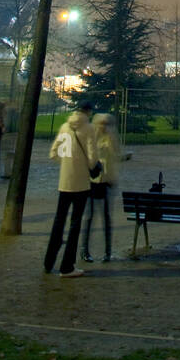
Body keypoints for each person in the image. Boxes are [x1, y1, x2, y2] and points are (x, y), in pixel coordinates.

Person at [44, 101, 99, 277]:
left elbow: (53, 152)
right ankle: (67, 266)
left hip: (64, 181)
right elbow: (92, 158)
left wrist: (67, 162)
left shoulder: (64, 126)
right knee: (75, 224)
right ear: (88, 112)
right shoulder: (89, 128)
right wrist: (85, 165)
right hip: (81, 182)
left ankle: (49, 261)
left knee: (58, 221)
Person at [81, 113, 121, 262]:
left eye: (106, 124)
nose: (103, 127)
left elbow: (116, 153)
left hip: (106, 182)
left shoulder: (111, 138)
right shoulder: (92, 138)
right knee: (90, 217)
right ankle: (85, 249)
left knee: (106, 218)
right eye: (101, 124)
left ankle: (107, 251)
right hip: (92, 181)